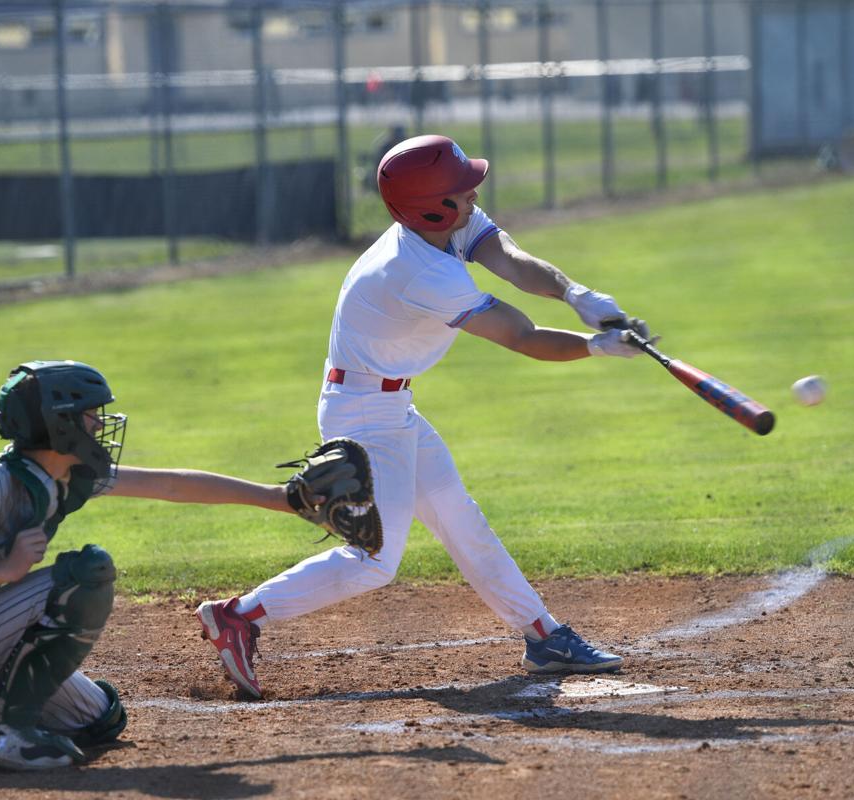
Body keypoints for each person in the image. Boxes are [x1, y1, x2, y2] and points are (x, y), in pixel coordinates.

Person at [196, 134, 651, 700]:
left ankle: (544, 636)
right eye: (463, 188)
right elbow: (521, 335)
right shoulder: (418, 271)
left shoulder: (440, 220)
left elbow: (507, 257)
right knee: (374, 562)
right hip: (364, 414)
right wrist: (596, 346)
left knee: (460, 517)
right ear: (433, 206)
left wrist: (577, 293)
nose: (474, 191)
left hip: (389, 404)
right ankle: (240, 615)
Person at [0, 360, 311, 770]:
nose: (99, 424)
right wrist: (5, 570)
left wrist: (281, 499)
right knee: (85, 575)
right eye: (88, 415)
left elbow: (172, 484)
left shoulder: (58, 473)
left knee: (101, 719)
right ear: (57, 423)